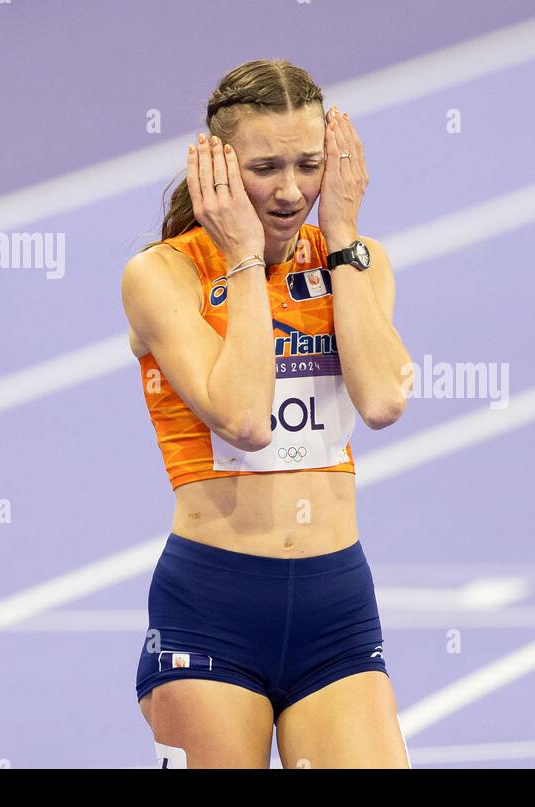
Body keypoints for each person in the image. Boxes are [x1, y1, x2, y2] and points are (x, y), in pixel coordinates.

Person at [120, 59, 413, 768]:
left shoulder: (358, 259)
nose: (290, 191)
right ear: (217, 168)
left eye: (310, 165)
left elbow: (382, 400)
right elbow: (245, 418)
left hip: (335, 605)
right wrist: (246, 259)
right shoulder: (164, 274)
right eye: (265, 167)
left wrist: (341, 234)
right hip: (212, 612)